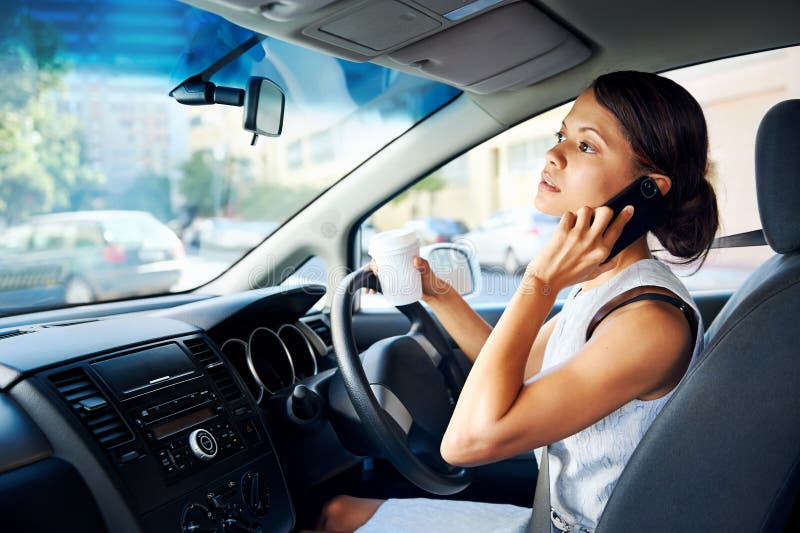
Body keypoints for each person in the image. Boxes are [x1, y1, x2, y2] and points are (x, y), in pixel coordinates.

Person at [307, 70, 719, 533]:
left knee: (332, 520)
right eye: (561, 134)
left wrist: (540, 283)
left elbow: (465, 443)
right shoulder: (609, 288)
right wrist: (438, 295)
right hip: (550, 520)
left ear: (649, 188)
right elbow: (513, 366)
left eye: (586, 146)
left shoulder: (647, 323)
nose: (553, 154)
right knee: (337, 513)